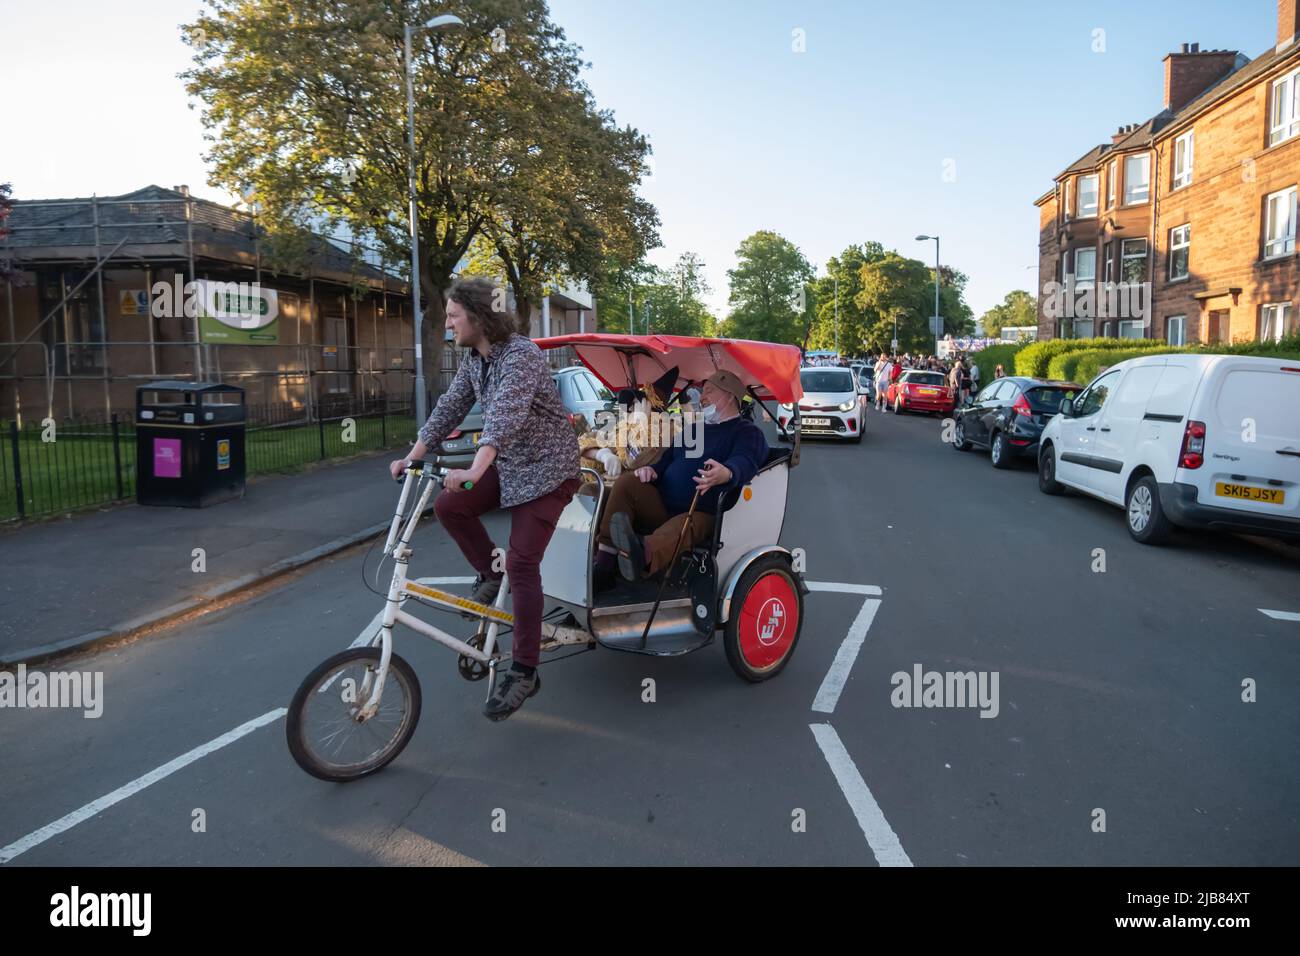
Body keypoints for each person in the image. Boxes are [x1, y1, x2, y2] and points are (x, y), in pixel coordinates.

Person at [390, 278, 580, 722]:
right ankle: (487, 572)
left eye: (453, 315)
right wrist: (413, 456)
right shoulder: (476, 360)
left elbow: (503, 418)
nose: (448, 324)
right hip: (512, 466)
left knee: (522, 563)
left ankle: (525, 670)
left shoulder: (522, 356)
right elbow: (450, 407)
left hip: (549, 471)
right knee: (449, 507)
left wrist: (475, 470)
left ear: (477, 316)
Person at [594, 370, 767, 585]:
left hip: (704, 512)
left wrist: (727, 472)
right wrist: (653, 471)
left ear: (730, 395)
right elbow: (666, 460)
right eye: (702, 392)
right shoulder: (693, 429)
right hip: (663, 502)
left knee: (684, 524)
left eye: (709, 392)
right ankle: (604, 563)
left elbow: (746, 459)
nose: (702, 398)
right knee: (627, 482)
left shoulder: (746, 432)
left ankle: (641, 556)